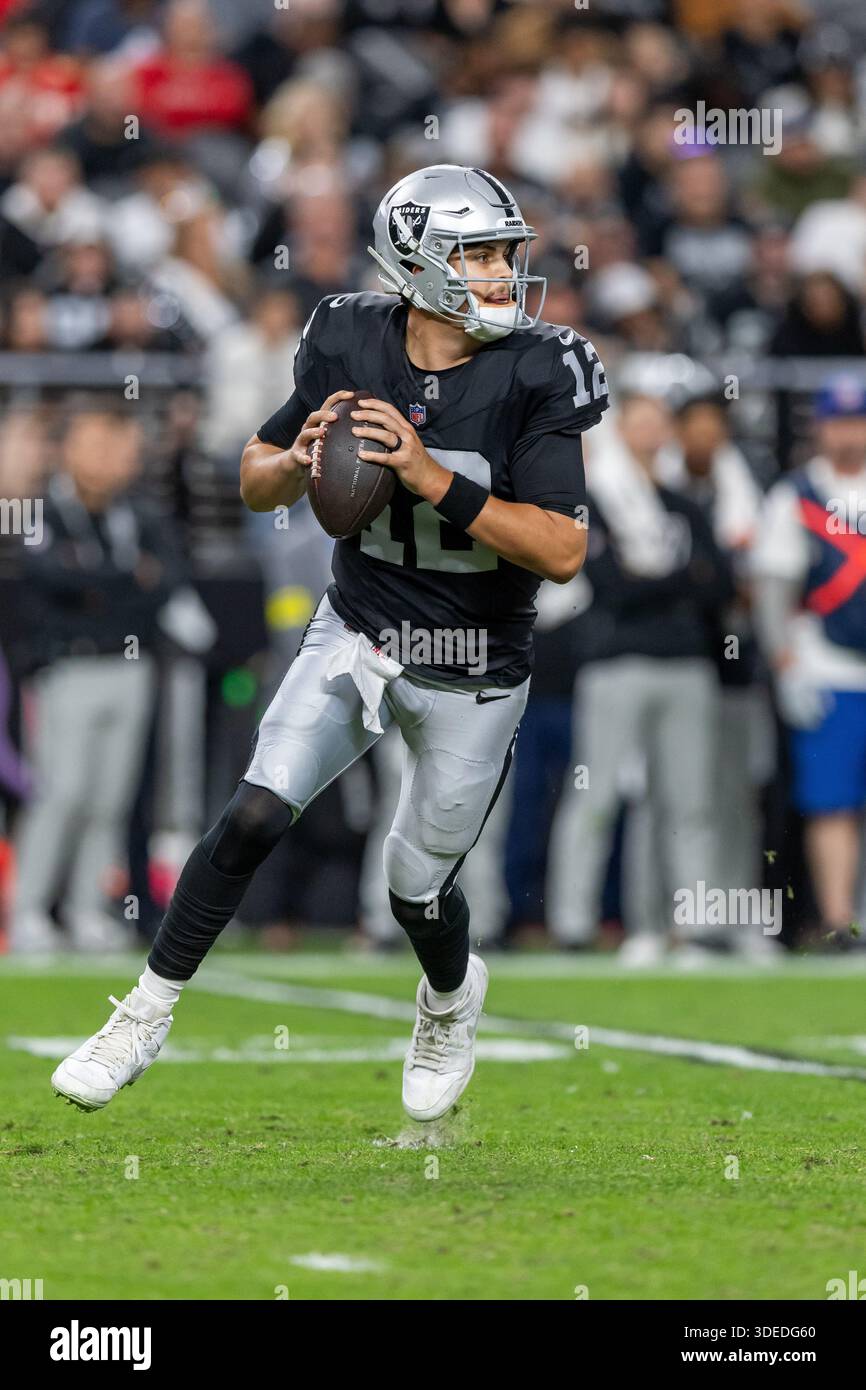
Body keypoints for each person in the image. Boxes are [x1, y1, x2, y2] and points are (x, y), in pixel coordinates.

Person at [51, 163, 608, 1122]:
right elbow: (256, 478)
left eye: (504, 253)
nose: (501, 273)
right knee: (258, 810)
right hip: (357, 631)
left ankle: (445, 999)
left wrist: (433, 479)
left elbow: (560, 550)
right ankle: (144, 1012)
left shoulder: (539, 365)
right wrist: (297, 458)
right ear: (417, 263)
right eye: (476, 254)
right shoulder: (349, 333)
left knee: (413, 887)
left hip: (478, 665)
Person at [12, 405, 184, 952]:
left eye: (113, 445)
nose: (106, 457)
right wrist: (121, 579)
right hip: (68, 667)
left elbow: (166, 580)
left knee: (111, 798)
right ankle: (29, 911)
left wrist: (97, 583)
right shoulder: (43, 511)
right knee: (61, 792)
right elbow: (47, 576)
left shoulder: (136, 513)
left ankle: (89, 909)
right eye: (92, 444)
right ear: (65, 450)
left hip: (128, 667)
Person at [752, 376, 866, 947]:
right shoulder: (796, 493)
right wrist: (785, 663)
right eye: (839, 420)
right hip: (828, 668)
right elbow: (774, 587)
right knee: (832, 803)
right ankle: (839, 918)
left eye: (857, 420)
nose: (849, 432)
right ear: (820, 426)